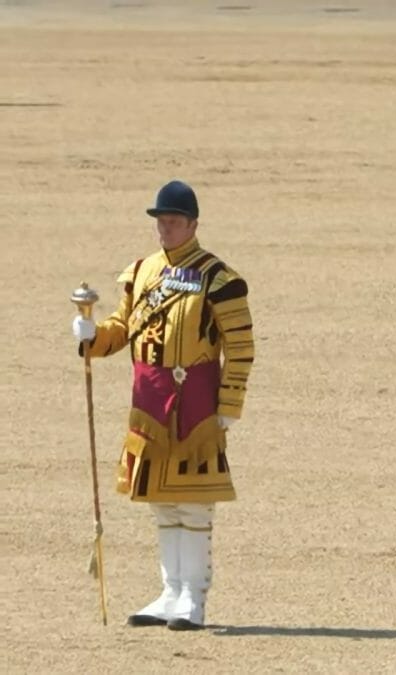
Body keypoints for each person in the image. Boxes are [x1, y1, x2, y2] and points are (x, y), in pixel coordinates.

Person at [70, 180, 255, 629]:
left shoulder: (218, 278)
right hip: (149, 401)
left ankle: (194, 594)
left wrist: (229, 402)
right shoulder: (140, 272)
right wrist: (94, 339)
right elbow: (122, 327)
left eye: (173, 221)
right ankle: (170, 592)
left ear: (193, 223)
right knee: (162, 503)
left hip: (195, 403)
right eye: (161, 221)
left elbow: (241, 346)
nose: (165, 229)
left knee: (193, 504)